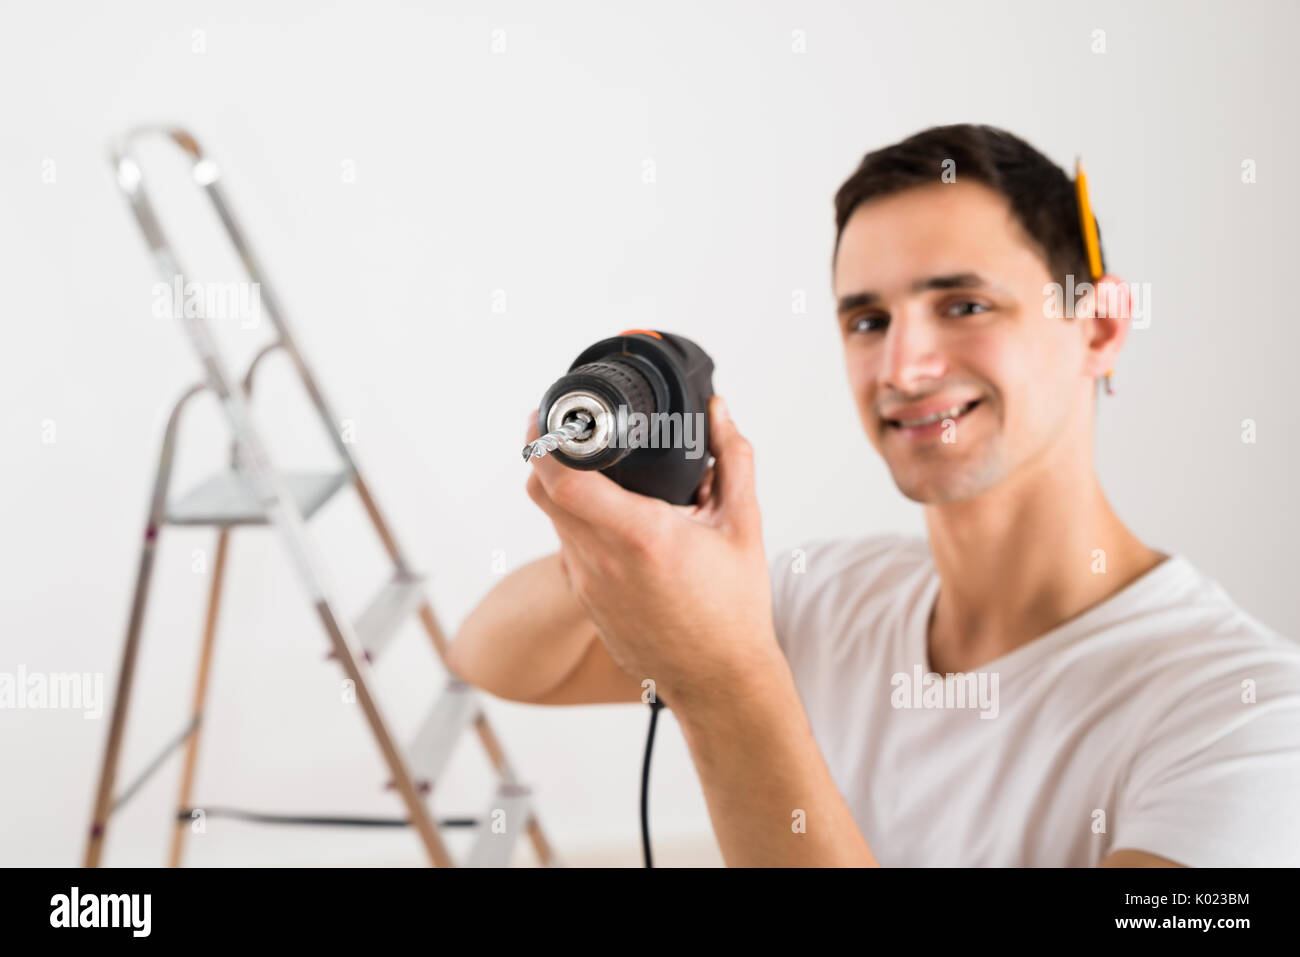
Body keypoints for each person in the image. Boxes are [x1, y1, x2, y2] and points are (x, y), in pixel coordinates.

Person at [446, 124, 1300, 867]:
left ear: (1102, 326)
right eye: (867, 321)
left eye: (964, 304)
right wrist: (640, 525)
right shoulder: (831, 599)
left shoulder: (1251, 722)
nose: (902, 367)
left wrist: (725, 687)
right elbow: (496, 655)